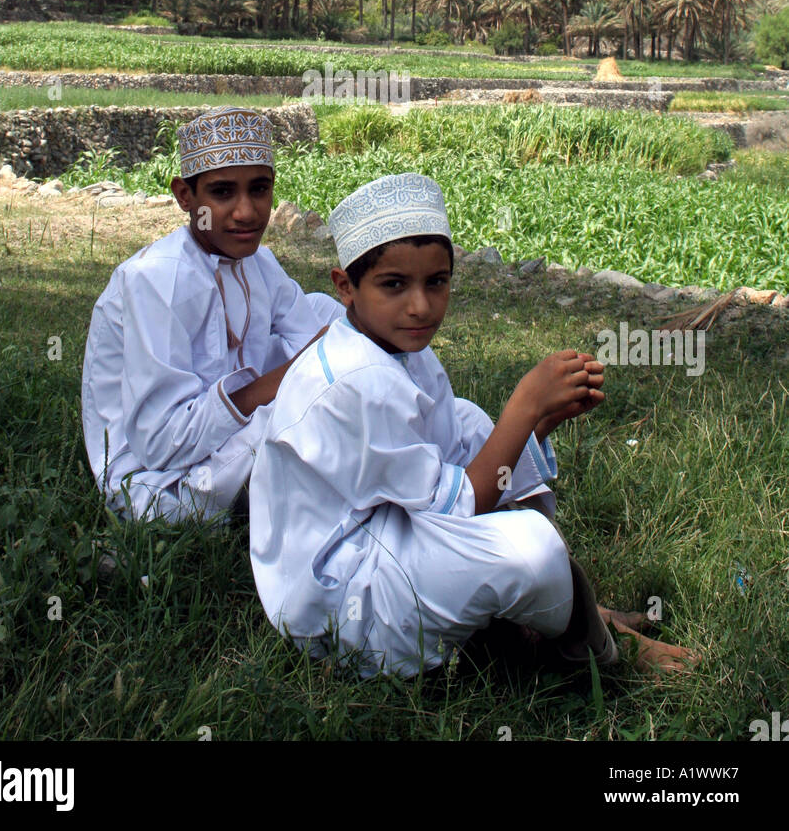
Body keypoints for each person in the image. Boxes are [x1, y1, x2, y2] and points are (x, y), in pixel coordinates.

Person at [250, 172, 698, 677]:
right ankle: (596, 652)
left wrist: (540, 423)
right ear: (344, 287)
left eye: (435, 282)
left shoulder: (393, 348)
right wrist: (525, 409)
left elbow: (453, 464)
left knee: (466, 419)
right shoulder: (357, 382)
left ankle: (576, 615)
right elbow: (463, 502)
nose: (420, 306)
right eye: (393, 284)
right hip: (343, 607)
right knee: (530, 550)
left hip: (385, 534)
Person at [81, 106, 342, 524]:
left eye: (259, 189)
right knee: (307, 407)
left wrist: (333, 356)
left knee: (334, 315)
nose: (246, 212)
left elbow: (318, 340)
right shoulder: (157, 279)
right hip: (164, 480)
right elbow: (160, 443)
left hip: (225, 432)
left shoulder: (259, 264)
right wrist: (286, 380)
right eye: (222, 193)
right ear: (185, 196)